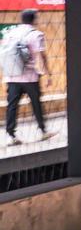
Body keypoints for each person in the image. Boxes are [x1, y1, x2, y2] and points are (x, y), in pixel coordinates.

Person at [2, 9, 54, 145]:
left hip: (12, 77)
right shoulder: (36, 34)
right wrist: (48, 74)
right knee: (36, 103)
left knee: (12, 106)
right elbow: (41, 56)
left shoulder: (11, 33)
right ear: (34, 19)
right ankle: (43, 131)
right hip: (30, 77)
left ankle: (11, 135)